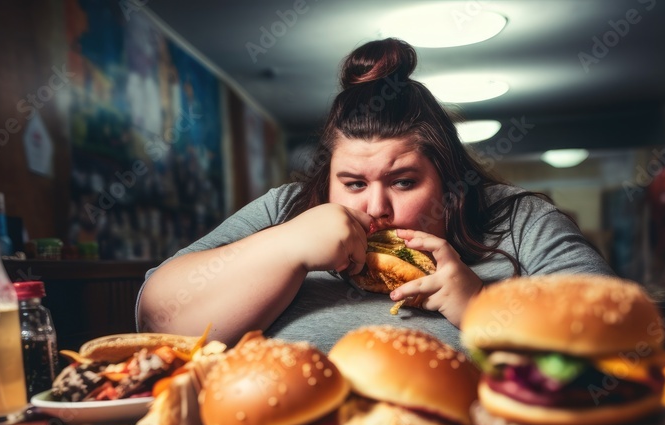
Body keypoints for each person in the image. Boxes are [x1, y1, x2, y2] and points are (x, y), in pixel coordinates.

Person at [136, 39, 612, 352]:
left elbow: (623, 335)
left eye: (404, 182)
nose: (375, 208)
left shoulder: (517, 217)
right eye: (354, 184)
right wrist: (287, 245)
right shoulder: (288, 209)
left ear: (448, 178)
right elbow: (156, 318)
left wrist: (482, 309)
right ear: (328, 180)